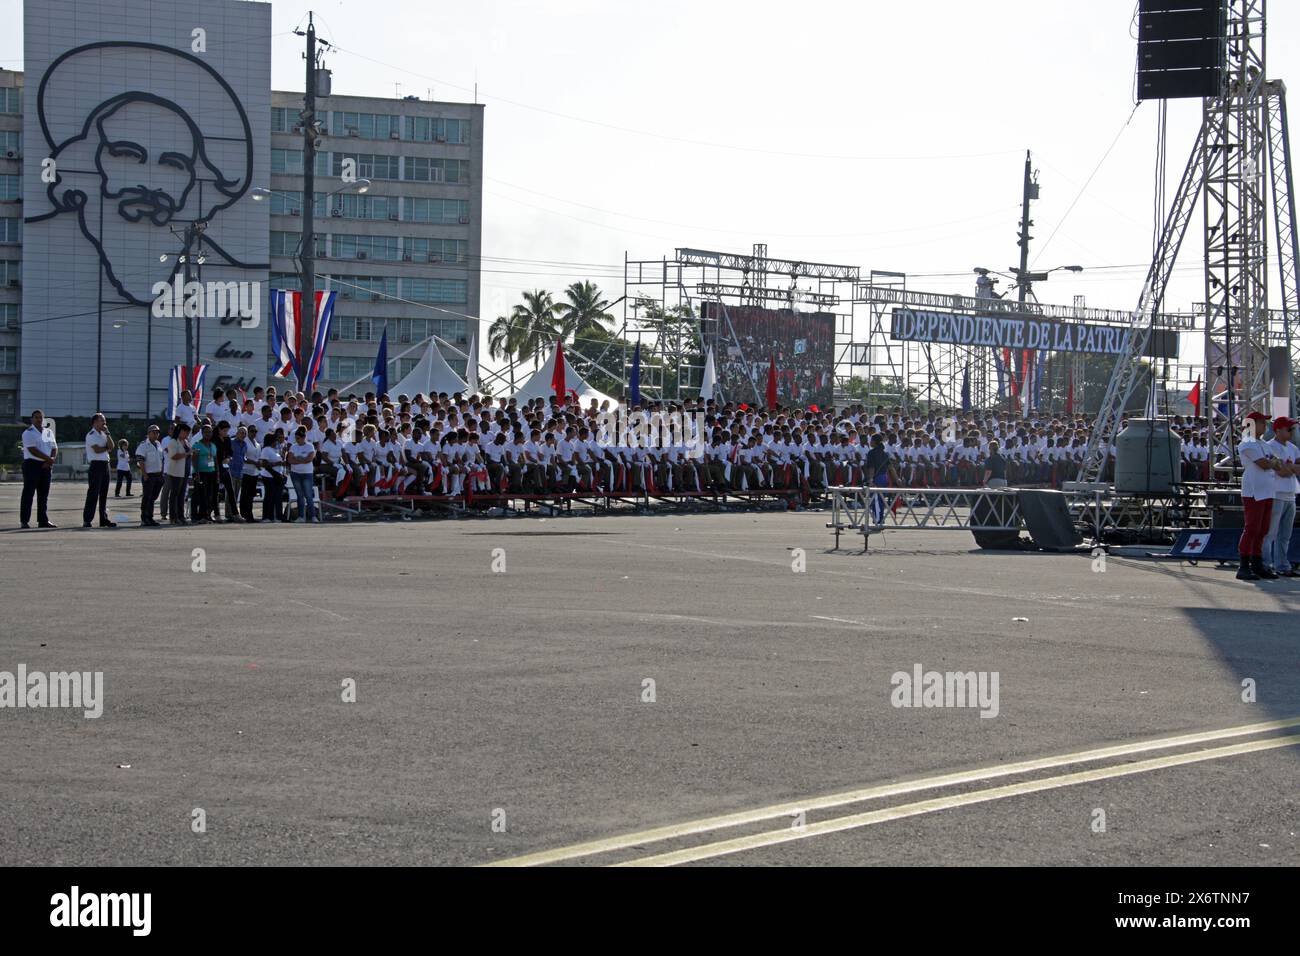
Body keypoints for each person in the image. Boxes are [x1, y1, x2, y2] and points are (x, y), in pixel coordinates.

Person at [1232, 411, 1279, 581]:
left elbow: (1276, 463)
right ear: (1252, 424)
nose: (1264, 426)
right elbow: (1265, 464)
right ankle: (1243, 565)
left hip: (1267, 489)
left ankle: (1257, 564)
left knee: (1263, 529)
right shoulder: (1247, 443)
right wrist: (1273, 463)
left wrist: (1273, 463)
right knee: (1252, 528)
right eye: (1261, 422)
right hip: (1254, 490)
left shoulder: (1264, 444)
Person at [1262, 416, 1298, 578]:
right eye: (1288, 428)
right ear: (1278, 430)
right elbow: (1282, 472)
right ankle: (1266, 564)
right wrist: (1292, 468)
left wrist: (1289, 467)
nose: (1291, 431)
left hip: (1291, 495)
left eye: (1292, 429)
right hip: (1275, 494)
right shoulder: (1269, 447)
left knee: (1285, 535)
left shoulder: (1293, 448)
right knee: (1271, 533)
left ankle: (1282, 565)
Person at [20, 409, 58, 529]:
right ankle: (24, 521)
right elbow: (32, 450)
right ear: (32, 419)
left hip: (46, 466)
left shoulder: (48, 432)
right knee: (28, 493)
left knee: (43, 495)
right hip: (32, 465)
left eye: (40, 417)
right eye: (36, 417)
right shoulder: (28, 432)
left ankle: (43, 520)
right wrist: (48, 459)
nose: (39, 419)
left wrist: (51, 459)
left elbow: (54, 447)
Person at [83, 413, 117, 528]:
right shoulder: (91, 434)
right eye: (102, 420)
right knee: (93, 494)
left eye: (104, 420)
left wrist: (108, 433)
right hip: (96, 466)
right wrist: (106, 448)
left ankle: (104, 519)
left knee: (104, 494)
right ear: (95, 422)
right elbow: (97, 450)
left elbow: (112, 446)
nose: (104, 422)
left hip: (105, 465)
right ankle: (87, 519)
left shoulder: (104, 433)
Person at [135, 424, 166, 527]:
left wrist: (161, 474)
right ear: (148, 434)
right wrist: (144, 474)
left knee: (153, 498)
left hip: (158, 475)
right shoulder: (143, 445)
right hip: (149, 475)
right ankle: (144, 518)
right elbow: (140, 461)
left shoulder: (158, 444)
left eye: (157, 432)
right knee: (147, 497)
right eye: (153, 432)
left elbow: (161, 460)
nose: (156, 434)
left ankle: (150, 517)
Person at [286, 426, 318, 523]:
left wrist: (298, 459)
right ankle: (301, 516)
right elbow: (290, 460)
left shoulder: (310, 446)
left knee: (308, 495)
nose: (297, 440)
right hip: (295, 473)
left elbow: (310, 458)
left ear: (303, 437)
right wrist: (302, 460)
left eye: (298, 438)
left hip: (307, 473)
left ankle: (313, 516)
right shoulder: (293, 447)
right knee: (299, 495)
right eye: (296, 438)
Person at [164, 422, 192, 526]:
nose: (187, 435)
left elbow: (189, 453)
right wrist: (187, 453)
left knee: (181, 495)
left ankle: (181, 516)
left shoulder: (186, 441)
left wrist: (191, 453)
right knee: (174, 495)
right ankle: (173, 517)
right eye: (186, 432)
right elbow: (173, 456)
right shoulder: (173, 442)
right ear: (180, 431)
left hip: (185, 471)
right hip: (175, 472)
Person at [191, 423, 219, 524]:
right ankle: (199, 516)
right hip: (200, 472)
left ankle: (207, 515)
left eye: (210, 432)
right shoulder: (197, 445)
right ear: (202, 433)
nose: (208, 434)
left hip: (211, 472)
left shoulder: (213, 445)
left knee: (209, 495)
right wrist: (197, 473)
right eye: (206, 432)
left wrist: (217, 474)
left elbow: (215, 460)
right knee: (200, 495)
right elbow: (194, 460)